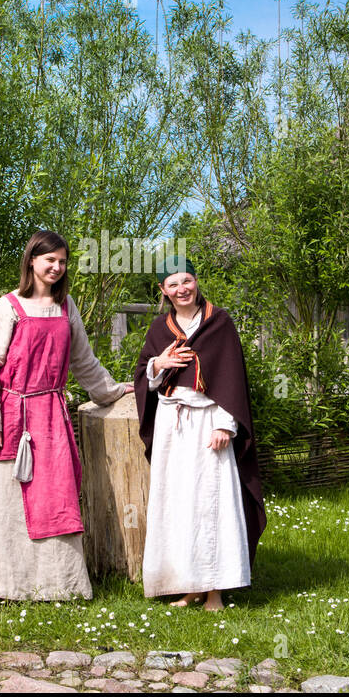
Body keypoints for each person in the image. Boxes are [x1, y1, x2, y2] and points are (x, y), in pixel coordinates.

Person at [0, 230, 132, 601]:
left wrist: (113, 391)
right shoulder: (6, 307)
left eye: (62, 261)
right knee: (6, 499)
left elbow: (83, 361)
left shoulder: (66, 306)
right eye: (49, 260)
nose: (57, 267)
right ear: (31, 261)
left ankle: (58, 586)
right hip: (11, 415)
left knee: (55, 499)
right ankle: (4, 584)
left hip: (50, 417)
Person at [133, 255, 266, 611]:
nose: (181, 289)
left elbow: (232, 376)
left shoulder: (219, 323)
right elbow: (144, 374)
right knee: (177, 503)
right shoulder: (160, 329)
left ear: (196, 281)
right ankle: (187, 585)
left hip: (210, 423)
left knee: (211, 503)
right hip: (171, 423)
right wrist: (158, 365)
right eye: (172, 284)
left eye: (186, 281)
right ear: (162, 290)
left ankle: (215, 592)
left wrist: (226, 423)